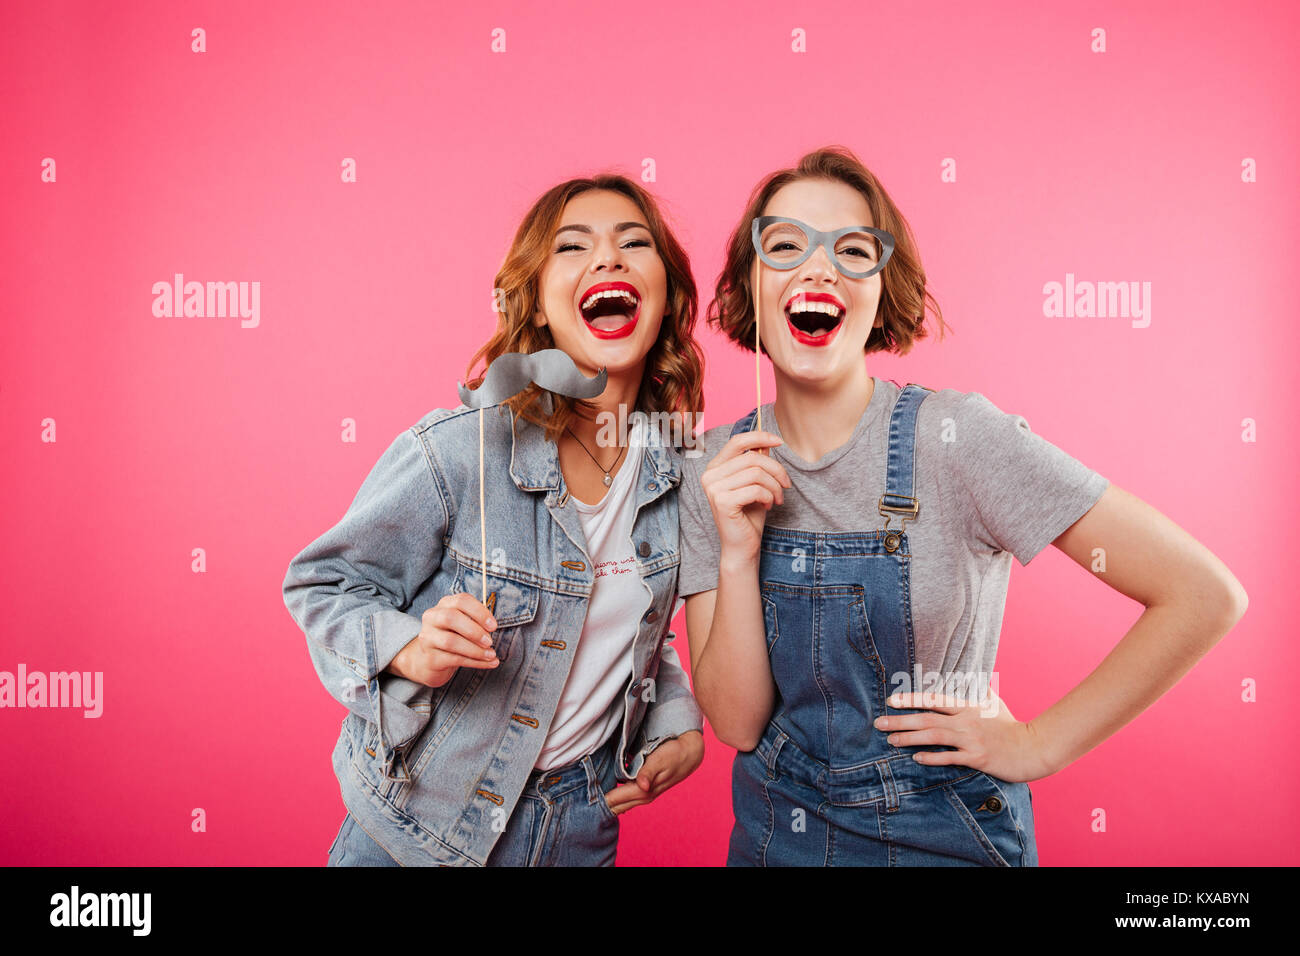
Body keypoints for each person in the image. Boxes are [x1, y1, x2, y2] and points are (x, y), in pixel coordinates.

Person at [679, 145, 1248, 866]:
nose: (818, 268)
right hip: (773, 836)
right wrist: (737, 553)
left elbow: (1202, 594)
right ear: (749, 284)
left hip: (941, 837)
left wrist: (1039, 744)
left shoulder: (957, 440)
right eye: (785, 244)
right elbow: (736, 721)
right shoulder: (712, 465)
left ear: (882, 291)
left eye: (852, 250)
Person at [283, 173, 707, 866]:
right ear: (536, 306)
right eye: (574, 247)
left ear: (667, 296)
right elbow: (321, 586)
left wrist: (676, 725)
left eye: (635, 242)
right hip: (414, 829)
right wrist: (410, 649)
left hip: (574, 833)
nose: (608, 257)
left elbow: (634, 634)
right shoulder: (460, 448)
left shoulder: (675, 470)